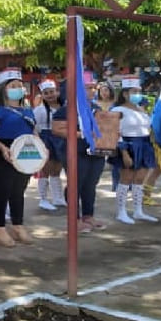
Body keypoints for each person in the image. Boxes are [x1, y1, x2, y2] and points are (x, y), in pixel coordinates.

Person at [0, 68, 37, 247]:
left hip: (25, 151)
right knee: (3, 190)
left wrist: (41, 148)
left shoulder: (27, 110)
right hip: (3, 151)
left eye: (20, 85)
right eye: (13, 86)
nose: (18, 88)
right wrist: (2, 147)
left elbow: (33, 131)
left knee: (19, 190)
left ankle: (18, 226)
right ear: (3, 89)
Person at [51, 76, 108, 233]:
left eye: (94, 88)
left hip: (96, 151)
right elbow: (57, 129)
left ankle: (88, 216)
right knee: (76, 184)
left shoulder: (96, 108)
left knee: (91, 183)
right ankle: (74, 219)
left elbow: (105, 128)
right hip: (74, 151)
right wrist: (83, 134)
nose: (92, 91)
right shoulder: (67, 109)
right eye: (88, 88)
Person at [111, 78, 159, 224]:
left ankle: (138, 211)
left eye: (139, 91)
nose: (138, 94)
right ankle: (121, 212)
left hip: (144, 145)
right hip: (128, 145)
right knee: (126, 179)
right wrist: (124, 152)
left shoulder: (142, 109)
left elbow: (147, 128)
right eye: (134, 92)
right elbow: (115, 132)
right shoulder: (118, 110)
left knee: (139, 179)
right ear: (125, 94)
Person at [32, 80, 67, 211]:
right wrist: (39, 143)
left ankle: (58, 197)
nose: (50, 95)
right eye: (46, 93)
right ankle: (43, 199)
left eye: (52, 92)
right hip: (46, 139)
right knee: (45, 170)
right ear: (42, 95)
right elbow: (34, 127)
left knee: (57, 169)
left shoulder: (64, 108)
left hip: (60, 139)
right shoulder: (39, 110)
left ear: (57, 92)